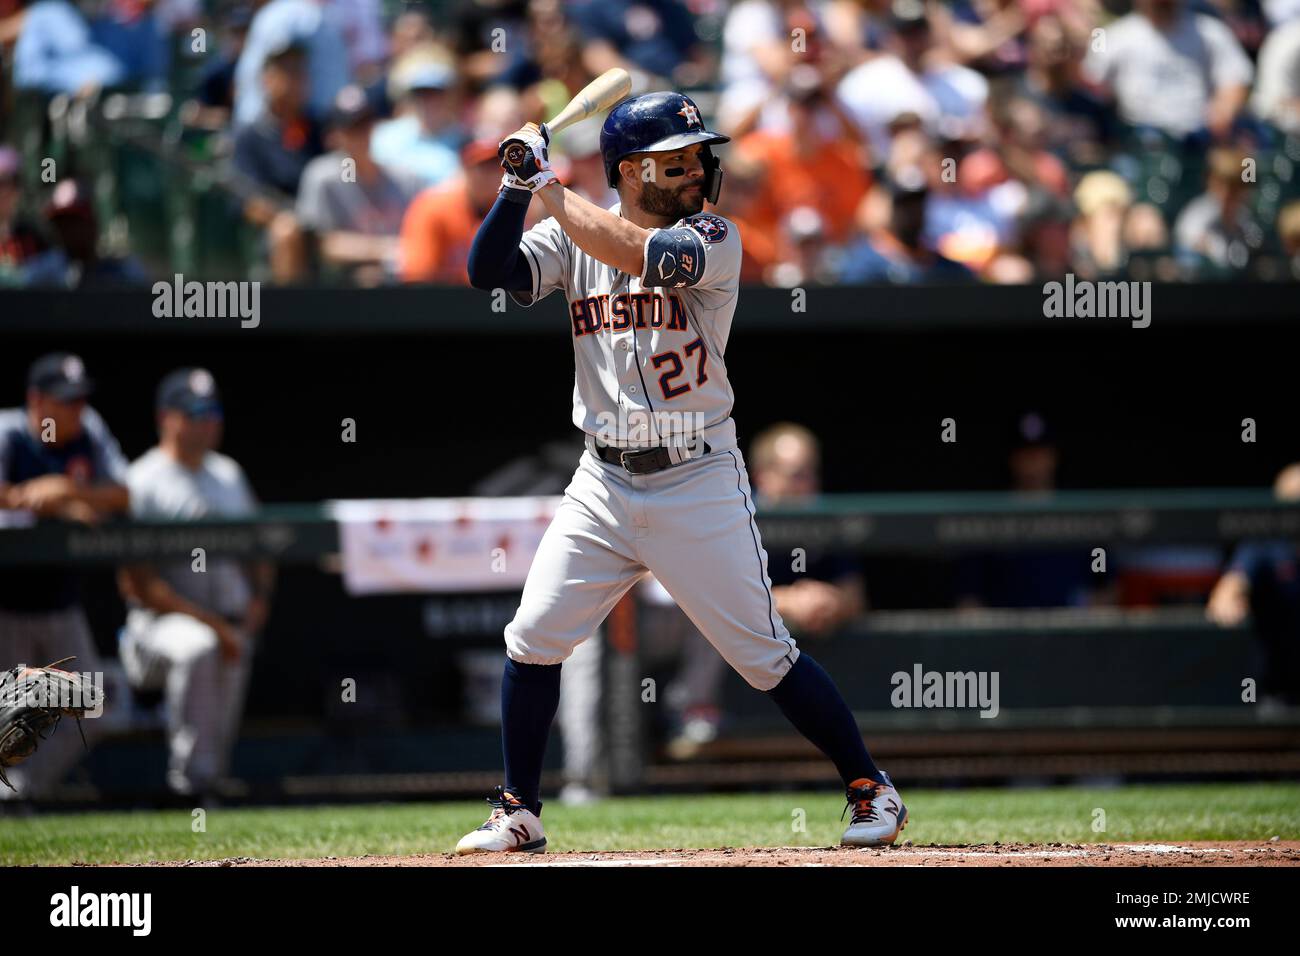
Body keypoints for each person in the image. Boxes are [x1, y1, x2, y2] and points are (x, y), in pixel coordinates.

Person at [458, 90, 907, 854]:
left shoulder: (714, 236)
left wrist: (549, 187)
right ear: (631, 171)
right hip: (601, 479)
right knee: (532, 638)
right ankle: (518, 809)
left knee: (765, 656)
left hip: (695, 477)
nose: (700, 169)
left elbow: (639, 254)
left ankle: (872, 789)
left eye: (701, 155)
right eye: (680, 159)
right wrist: (512, 185)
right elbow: (485, 270)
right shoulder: (568, 236)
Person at [117, 369, 274, 803]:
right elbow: (136, 583)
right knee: (200, 646)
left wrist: (260, 596)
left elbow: (263, 544)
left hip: (232, 619)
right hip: (159, 625)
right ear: (167, 418)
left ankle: (210, 788)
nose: (209, 421)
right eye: (196, 412)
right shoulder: (141, 479)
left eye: (214, 411)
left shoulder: (228, 474)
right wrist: (214, 625)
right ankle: (189, 787)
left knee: (220, 713)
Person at [0, 353, 130, 801]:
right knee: (10, 712)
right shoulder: (9, 432)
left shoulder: (89, 430)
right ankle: (15, 797)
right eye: (65, 400)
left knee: (94, 707)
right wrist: (42, 500)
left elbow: (123, 492)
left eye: (79, 400)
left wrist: (64, 489)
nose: (76, 409)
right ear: (36, 399)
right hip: (7, 606)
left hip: (61, 604)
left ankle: (20, 793)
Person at [295, 84, 423, 285]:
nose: (361, 133)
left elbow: (420, 236)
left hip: (401, 276)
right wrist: (385, 250)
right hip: (342, 284)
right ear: (334, 135)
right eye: (352, 127)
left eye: (365, 123)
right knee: (368, 278)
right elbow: (321, 244)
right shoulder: (324, 176)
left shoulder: (403, 178)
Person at [1082, 0, 1253, 142]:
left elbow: (1235, 75)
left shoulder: (1210, 31)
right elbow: (1092, 83)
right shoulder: (1116, 37)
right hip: (1140, 139)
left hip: (1198, 138)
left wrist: (1223, 109)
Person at [1206, 463, 1300, 706]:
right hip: (1280, 688)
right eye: (1293, 503)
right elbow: (1231, 584)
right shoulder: (1265, 545)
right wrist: (1229, 597)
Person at [398, 138, 506, 284]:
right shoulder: (433, 208)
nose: (492, 175)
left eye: (497, 167)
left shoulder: (513, 210)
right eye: (484, 167)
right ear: (465, 169)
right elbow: (418, 277)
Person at [22, 179, 149, 289]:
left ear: (92, 222)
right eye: (61, 223)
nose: (68, 230)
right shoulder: (41, 275)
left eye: (74, 221)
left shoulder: (123, 274)